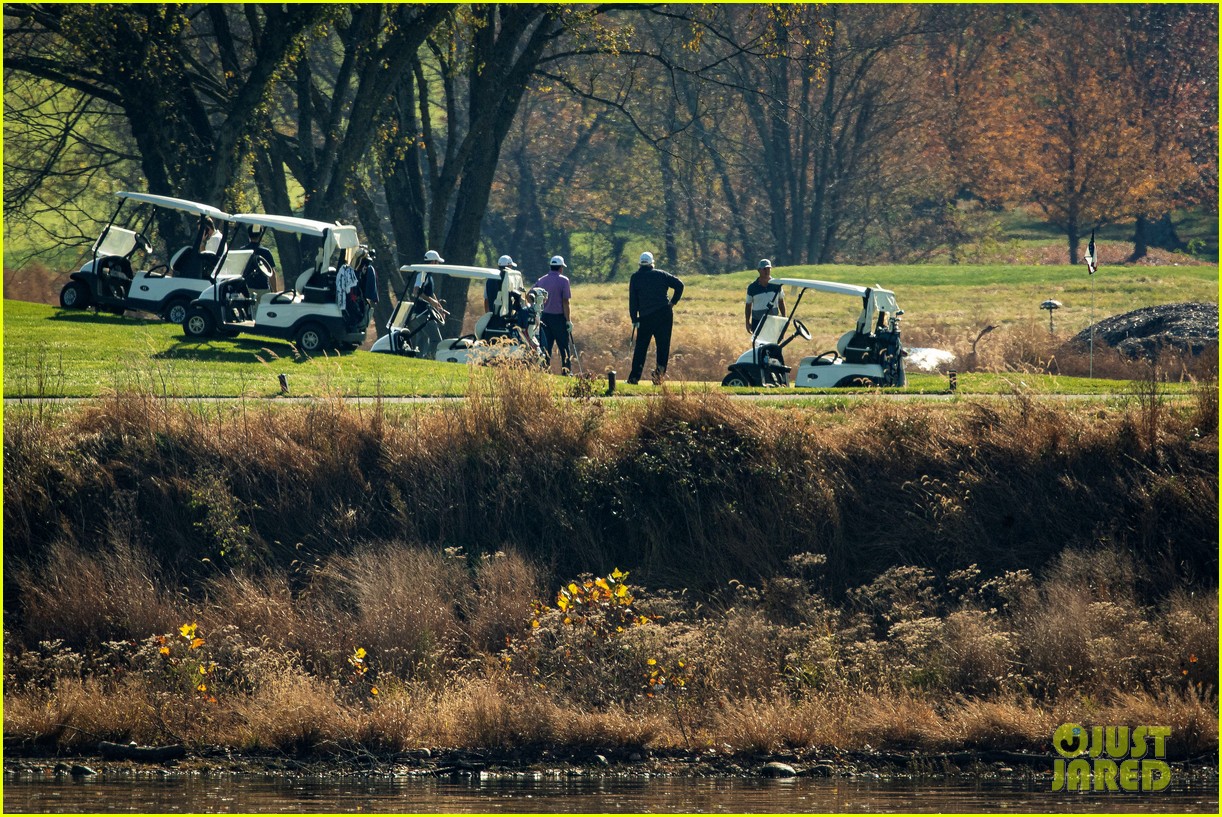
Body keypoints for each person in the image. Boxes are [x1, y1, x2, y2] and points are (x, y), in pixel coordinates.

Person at [627, 251, 684, 384]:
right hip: (664, 314)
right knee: (663, 347)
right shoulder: (661, 274)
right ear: (652, 263)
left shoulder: (635, 277)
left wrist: (634, 318)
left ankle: (634, 378)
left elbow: (633, 300)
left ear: (640, 264)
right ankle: (659, 377)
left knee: (641, 348)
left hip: (645, 317)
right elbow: (680, 285)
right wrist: (673, 302)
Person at [534, 255, 573, 373]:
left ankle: (544, 371)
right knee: (564, 347)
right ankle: (566, 372)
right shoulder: (564, 280)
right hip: (559, 318)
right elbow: (566, 302)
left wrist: (537, 308)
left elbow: (530, 295)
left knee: (546, 347)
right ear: (561, 267)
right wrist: (568, 321)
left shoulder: (542, 280)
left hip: (544, 318)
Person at [409, 249, 448, 355]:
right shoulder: (422, 274)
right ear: (432, 262)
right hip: (422, 312)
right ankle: (430, 359)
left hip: (424, 312)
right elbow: (416, 291)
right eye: (437, 262)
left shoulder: (428, 275)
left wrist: (438, 305)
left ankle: (419, 358)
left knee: (423, 338)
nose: (438, 264)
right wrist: (431, 301)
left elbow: (430, 293)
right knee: (436, 339)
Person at [745, 259, 786, 333]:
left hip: (773, 321)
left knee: (772, 344)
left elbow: (781, 302)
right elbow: (748, 305)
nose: (767, 271)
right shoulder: (752, 287)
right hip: (757, 322)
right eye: (764, 269)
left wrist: (784, 318)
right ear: (759, 270)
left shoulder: (777, 285)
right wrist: (747, 322)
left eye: (768, 269)